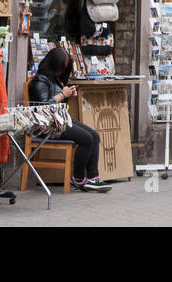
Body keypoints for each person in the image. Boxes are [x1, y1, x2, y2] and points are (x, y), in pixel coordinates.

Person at [28, 47, 111, 193]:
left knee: (94, 136)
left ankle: (93, 178)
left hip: (58, 121)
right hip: (46, 126)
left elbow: (59, 105)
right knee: (86, 139)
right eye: (61, 68)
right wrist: (62, 95)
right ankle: (78, 179)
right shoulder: (39, 80)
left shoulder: (54, 79)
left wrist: (67, 95)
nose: (62, 71)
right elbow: (42, 107)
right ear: (53, 65)